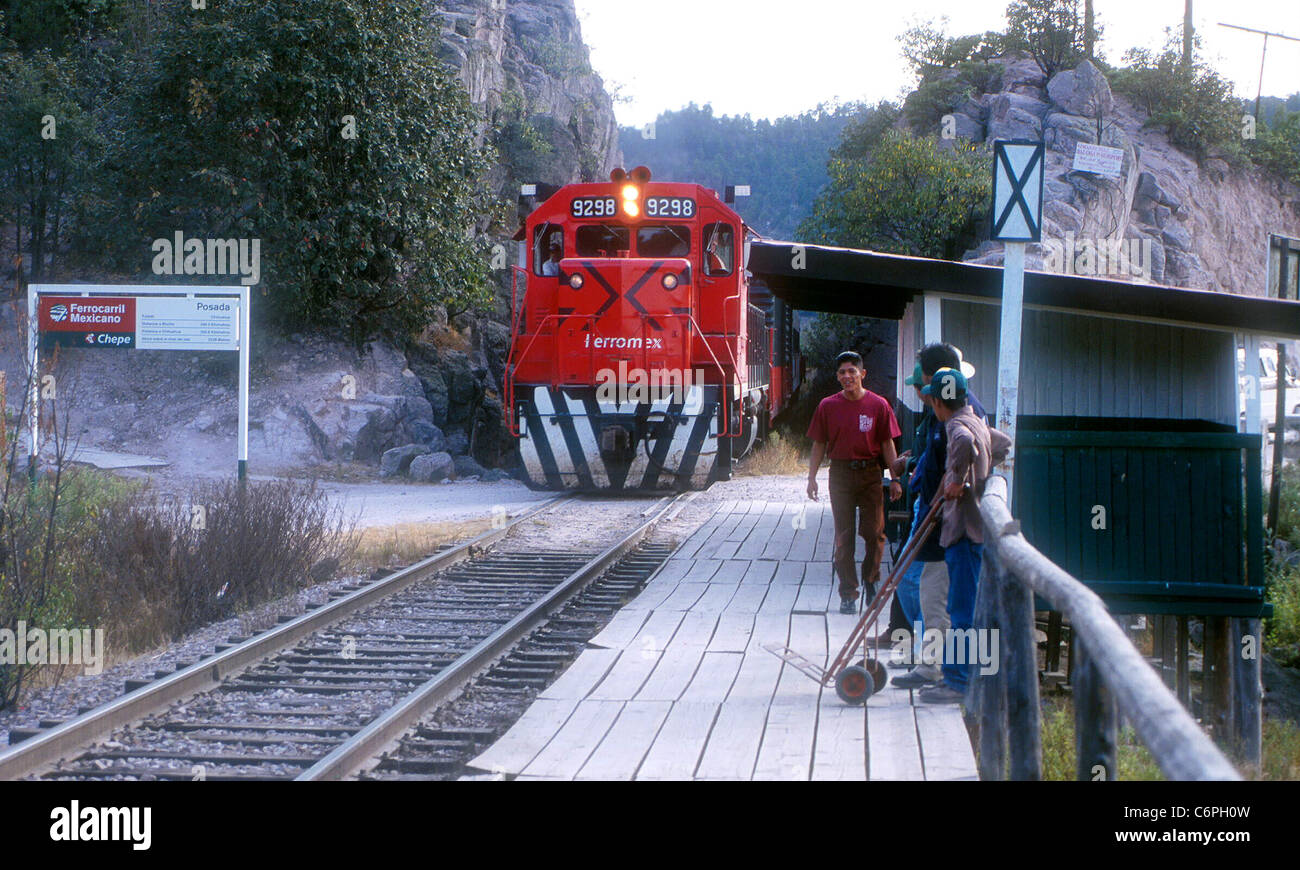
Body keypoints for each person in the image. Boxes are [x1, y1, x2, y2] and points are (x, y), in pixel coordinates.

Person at [915, 366, 1011, 705]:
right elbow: (1002, 443)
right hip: (974, 530)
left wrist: (957, 479)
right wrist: (980, 473)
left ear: (939, 402)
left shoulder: (955, 426)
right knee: (965, 607)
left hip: (964, 531)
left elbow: (965, 444)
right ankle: (961, 678)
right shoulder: (975, 418)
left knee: (961, 609)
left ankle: (957, 681)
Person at [807, 351, 903, 614]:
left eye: (852, 371)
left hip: (871, 473)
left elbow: (887, 443)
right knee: (844, 538)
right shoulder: (828, 406)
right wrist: (811, 477)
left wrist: (895, 478)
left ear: (863, 374)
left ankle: (871, 581)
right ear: (837, 377)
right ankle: (848, 593)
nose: (847, 376)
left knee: (874, 532)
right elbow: (819, 443)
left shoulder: (879, 405)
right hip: (840, 475)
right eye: (842, 372)